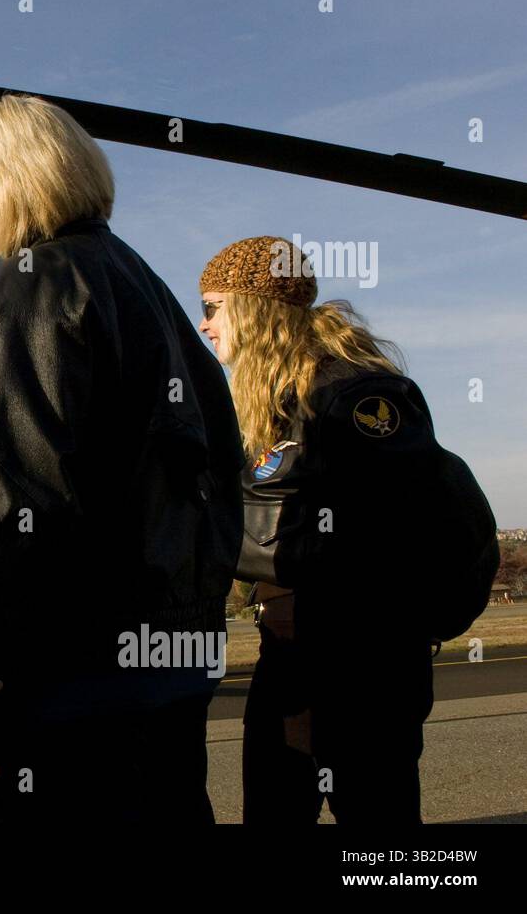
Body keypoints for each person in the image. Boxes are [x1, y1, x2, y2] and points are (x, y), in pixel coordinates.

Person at [0, 95, 245, 824]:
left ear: (8, 181)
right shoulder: (148, 290)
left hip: (70, 688)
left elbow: (2, 495)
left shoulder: (29, 284)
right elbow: (221, 486)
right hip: (167, 674)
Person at [198, 235, 437, 823]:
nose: (203, 325)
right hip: (294, 661)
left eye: (212, 307)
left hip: (362, 673)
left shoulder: (356, 393)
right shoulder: (279, 402)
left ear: (254, 307)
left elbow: (397, 532)